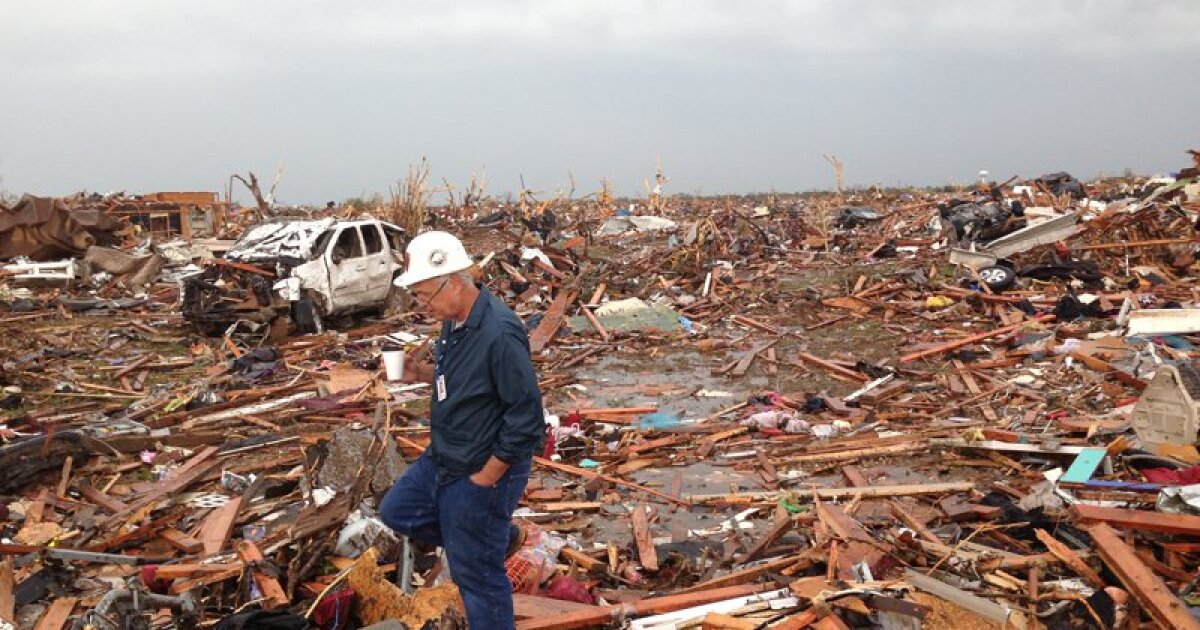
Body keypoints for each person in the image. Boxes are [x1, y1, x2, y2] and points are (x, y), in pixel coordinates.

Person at [379, 230, 544, 629]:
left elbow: (526, 419)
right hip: (445, 456)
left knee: (478, 579)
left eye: (424, 295)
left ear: (453, 281)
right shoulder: (454, 322)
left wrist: (484, 478)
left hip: (481, 466)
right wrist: (418, 373)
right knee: (396, 510)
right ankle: (494, 539)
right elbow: (460, 379)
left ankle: (483, 543)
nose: (421, 305)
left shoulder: (499, 333)